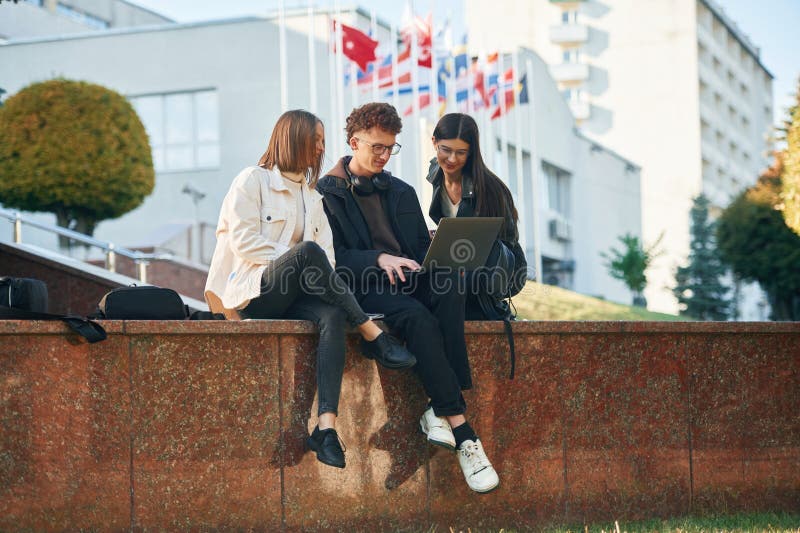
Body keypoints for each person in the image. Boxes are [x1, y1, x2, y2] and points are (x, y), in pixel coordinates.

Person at [204, 109, 416, 470]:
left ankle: (326, 428)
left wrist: (307, 266)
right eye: (315, 140)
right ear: (293, 139)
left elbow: (329, 263)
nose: (321, 148)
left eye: (321, 141)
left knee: (332, 313)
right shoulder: (251, 181)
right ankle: (372, 333)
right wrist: (299, 261)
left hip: (295, 297)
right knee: (307, 253)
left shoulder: (312, 196)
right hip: (253, 294)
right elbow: (244, 243)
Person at [316, 102, 499, 493]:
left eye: (391, 148)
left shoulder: (401, 190)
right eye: (377, 147)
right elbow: (332, 259)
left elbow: (417, 248)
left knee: (451, 284)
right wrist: (378, 259)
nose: (384, 156)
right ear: (354, 142)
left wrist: (437, 252)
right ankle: (463, 432)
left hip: (410, 279)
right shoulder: (327, 193)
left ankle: (439, 408)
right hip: (365, 287)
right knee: (418, 318)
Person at [426, 112, 527, 321]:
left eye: (461, 152)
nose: (452, 159)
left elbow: (506, 248)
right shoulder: (436, 174)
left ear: (471, 152)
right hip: (456, 270)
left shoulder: (492, 189)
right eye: (445, 150)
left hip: (488, 278)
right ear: (434, 142)